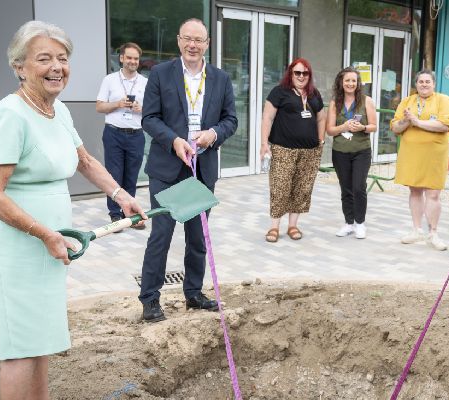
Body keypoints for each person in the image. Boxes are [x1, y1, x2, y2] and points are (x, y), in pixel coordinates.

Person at [0, 21, 146, 399]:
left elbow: (83, 160)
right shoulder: (11, 115)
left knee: (41, 337)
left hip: (51, 244)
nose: (57, 66)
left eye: (63, 58)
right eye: (44, 59)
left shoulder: (58, 110)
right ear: (19, 66)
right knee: (20, 344)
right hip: (17, 244)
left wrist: (121, 195)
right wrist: (44, 233)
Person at [139, 18, 237, 322]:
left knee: (198, 237)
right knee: (162, 235)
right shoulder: (160, 74)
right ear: (179, 41)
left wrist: (213, 134)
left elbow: (231, 120)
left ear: (207, 44)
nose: (193, 45)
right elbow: (150, 118)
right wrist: (175, 140)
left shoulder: (221, 79)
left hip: (202, 168)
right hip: (168, 167)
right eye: (187, 39)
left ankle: (193, 293)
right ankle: (150, 299)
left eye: (199, 40)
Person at [260, 58, 326, 243]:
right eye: (297, 72)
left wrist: (321, 141)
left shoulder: (314, 94)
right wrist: (264, 143)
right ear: (291, 73)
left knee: (302, 188)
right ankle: (274, 227)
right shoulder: (279, 92)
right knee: (280, 188)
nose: (301, 76)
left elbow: (321, 118)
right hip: (283, 149)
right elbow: (267, 118)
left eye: (305, 73)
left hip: (310, 151)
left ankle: (293, 225)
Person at [391, 70, 449, 251]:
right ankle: (417, 229)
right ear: (416, 84)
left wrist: (417, 122)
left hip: (435, 154)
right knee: (415, 191)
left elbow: (444, 125)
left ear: (433, 84)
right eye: (420, 82)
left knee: (433, 194)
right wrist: (406, 121)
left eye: (428, 81)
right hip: (412, 153)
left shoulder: (443, 100)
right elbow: (395, 127)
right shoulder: (407, 101)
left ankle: (433, 232)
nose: (424, 84)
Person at [95, 42, 148, 228]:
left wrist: (140, 108)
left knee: (131, 176)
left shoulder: (144, 82)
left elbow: (152, 111)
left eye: (136, 58)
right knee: (114, 175)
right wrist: (117, 104)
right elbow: (99, 106)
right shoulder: (109, 80)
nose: (133, 61)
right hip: (114, 134)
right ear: (122, 58)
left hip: (136, 135)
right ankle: (115, 215)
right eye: (129, 58)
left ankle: (131, 215)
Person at [325, 67, 378, 239]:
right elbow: (330, 130)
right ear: (341, 82)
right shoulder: (335, 103)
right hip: (340, 152)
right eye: (347, 80)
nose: (350, 83)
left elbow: (374, 126)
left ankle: (360, 223)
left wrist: (362, 127)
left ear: (358, 83)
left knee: (358, 187)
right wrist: (344, 127)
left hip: (361, 151)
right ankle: (349, 223)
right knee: (346, 188)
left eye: (353, 80)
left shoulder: (366, 101)